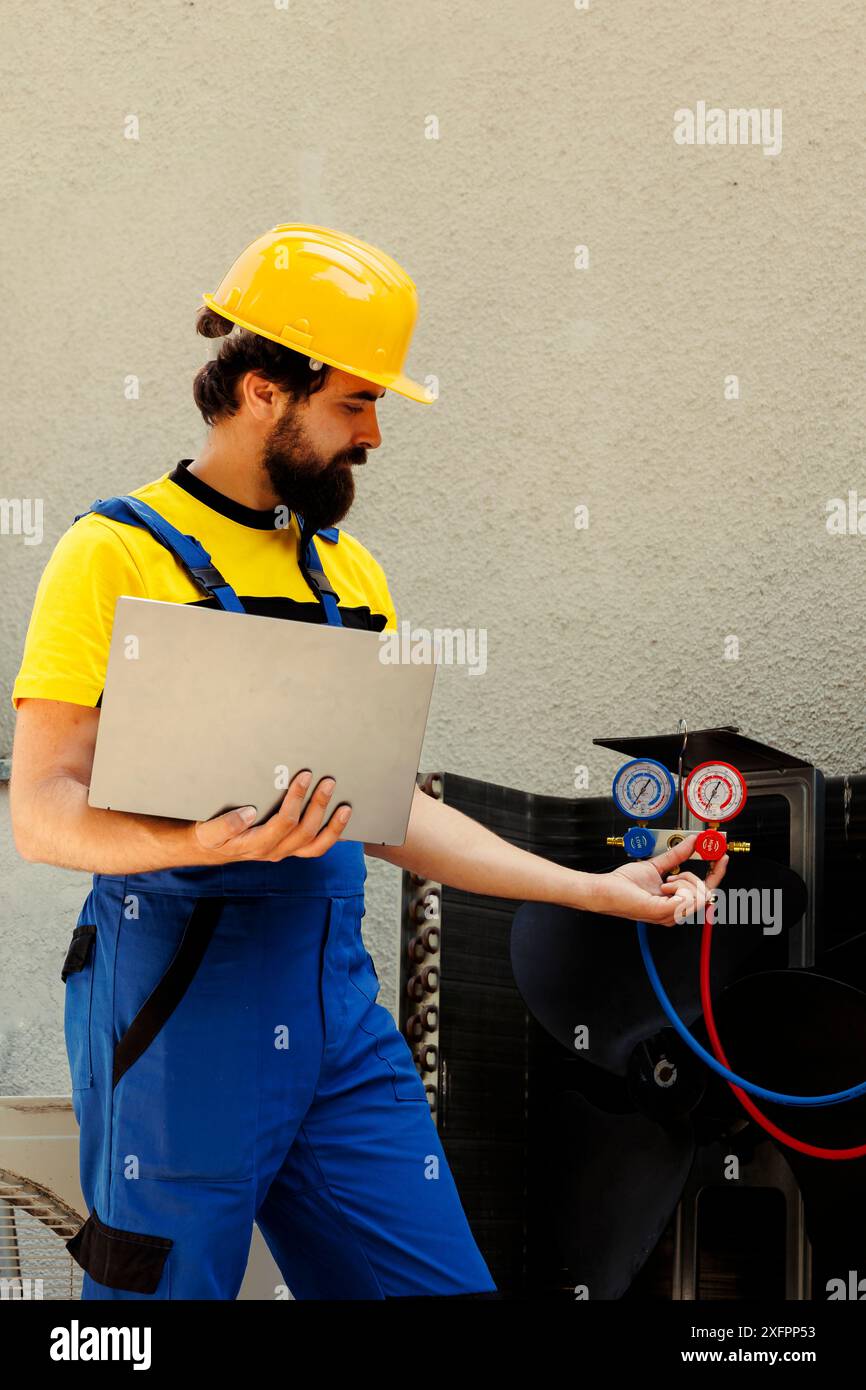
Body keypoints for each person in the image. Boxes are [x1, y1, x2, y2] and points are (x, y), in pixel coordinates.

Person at [9, 224, 728, 1300]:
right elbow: (42, 810)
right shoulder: (115, 553)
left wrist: (594, 889)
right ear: (263, 390)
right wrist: (191, 842)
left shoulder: (353, 576)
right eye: (354, 402)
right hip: (178, 1004)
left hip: (337, 1013)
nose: (374, 434)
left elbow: (383, 810)